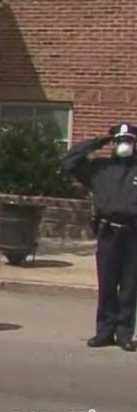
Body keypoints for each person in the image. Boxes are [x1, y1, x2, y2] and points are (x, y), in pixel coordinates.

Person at [61, 123, 137, 352]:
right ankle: (104, 331)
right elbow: (69, 161)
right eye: (120, 140)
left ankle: (124, 333)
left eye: (129, 141)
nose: (124, 145)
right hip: (108, 232)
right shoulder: (99, 168)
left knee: (130, 286)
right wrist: (100, 141)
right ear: (113, 143)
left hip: (134, 232)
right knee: (107, 284)